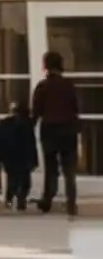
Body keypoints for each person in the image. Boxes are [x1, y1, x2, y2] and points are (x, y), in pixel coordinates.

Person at [33, 51, 80, 216]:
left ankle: (47, 201)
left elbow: (36, 111)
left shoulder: (42, 86)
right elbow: (75, 108)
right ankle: (71, 203)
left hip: (50, 130)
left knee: (51, 168)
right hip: (68, 130)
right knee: (69, 170)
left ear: (46, 65)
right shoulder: (69, 85)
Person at [0, 102, 38, 211]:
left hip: (9, 155)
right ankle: (21, 199)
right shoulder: (27, 124)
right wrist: (34, 159)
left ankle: (9, 198)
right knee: (24, 180)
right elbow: (31, 143)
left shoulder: (5, 124)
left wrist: (0, 155)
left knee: (12, 178)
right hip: (23, 156)